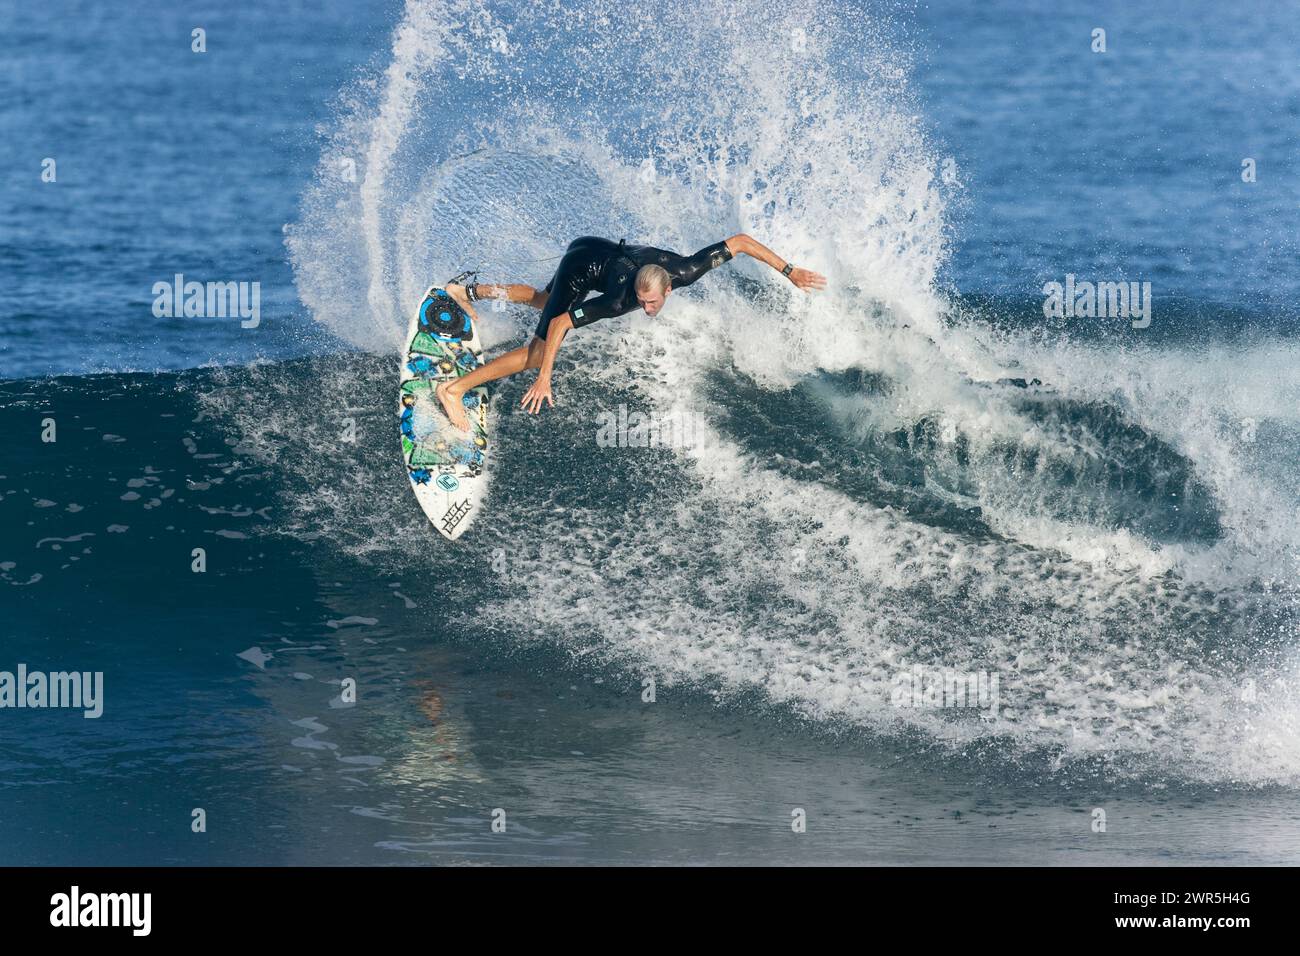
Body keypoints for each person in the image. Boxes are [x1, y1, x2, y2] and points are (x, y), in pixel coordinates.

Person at [435, 234, 827, 429]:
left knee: (542, 299)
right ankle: (453, 391)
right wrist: (544, 376)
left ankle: (465, 291)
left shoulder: (686, 270)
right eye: (643, 302)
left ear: (669, 287)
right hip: (584, 265)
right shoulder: (620, 300)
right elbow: (562, 323)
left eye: (652, 303)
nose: (647, 308)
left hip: (591, 245)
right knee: (538, 348)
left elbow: (740, 242)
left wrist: (790, 273)